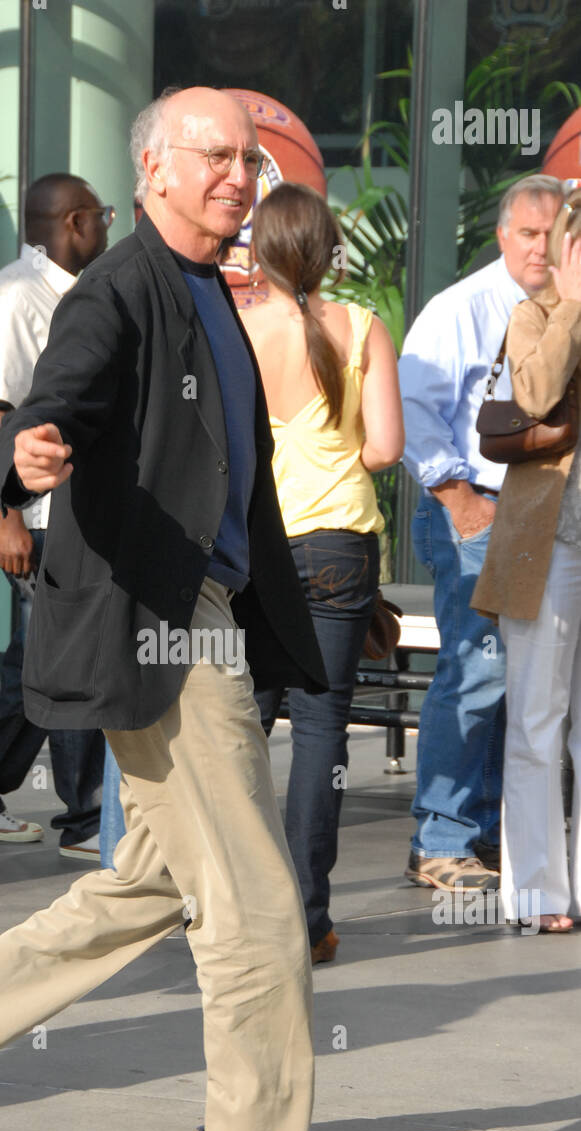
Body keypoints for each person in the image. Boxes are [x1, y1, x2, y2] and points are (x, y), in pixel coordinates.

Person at [0, 87, 373, 1131]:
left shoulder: (209, 290)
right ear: (154, 171)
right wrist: (29, 457)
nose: (243, 175)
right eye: (218, 157)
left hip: (210, 622)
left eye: (251, 159)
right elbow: (59, 399)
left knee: (144, 883)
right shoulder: (121, 287)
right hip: (163, 628)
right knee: (250, 897)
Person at [239, 182, 403, 964]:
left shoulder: (235, 332)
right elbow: (384, 450)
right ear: (328, 248)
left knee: (243, 727)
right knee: (320, 732)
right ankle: (306, 920)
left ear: (259, 252)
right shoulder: (362, 327)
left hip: (258, 551)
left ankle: (236, 912)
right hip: (339, 547)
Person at [399, 174, 563, 893]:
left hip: (546, 514)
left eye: (550, 233)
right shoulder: (461, 307)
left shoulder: (566, 306)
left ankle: (488, 834)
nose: (539, 246)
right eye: (526, 233)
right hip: (476, 510)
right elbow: (411, 407)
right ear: (501, 235)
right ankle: (441, 836)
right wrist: (455, 496)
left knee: (527, 682)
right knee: (476, 673)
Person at [0, 174, 108, 860]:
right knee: (67, 659)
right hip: (32, 518)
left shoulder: (70, 293)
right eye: (101, 216)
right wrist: (9, 519)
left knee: (36, 662)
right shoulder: (15, 296)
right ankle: (85, 816)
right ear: (72, 223)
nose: (107, 226)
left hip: (60, 514)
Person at [472, 193, 581, 932]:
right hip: (551, 546)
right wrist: (572, 306)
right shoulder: (535, 314)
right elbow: (534, 394)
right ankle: (539, 892)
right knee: (538, 721)